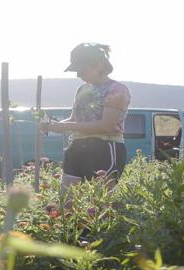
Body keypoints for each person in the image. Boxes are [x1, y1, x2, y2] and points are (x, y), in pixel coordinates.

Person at [41, 43, 132, 192]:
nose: (78, 75)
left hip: (105, 148)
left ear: (98, 65)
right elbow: (74, 119)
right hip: (77, 147)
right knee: (68, 198)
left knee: (101, 200)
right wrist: (52, 126)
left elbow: (106, 126)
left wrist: (65, 126)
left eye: (81, 69)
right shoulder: (82, 89)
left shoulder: (117, 90)